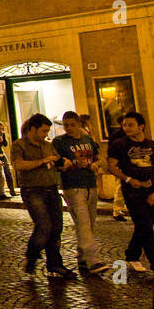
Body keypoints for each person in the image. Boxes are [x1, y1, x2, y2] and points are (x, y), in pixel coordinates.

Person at [12, 113, 76, 279]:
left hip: (52, 189)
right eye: (43, 131)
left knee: (56, 228)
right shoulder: (19, 145)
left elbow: (56, 161)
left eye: (48, 131)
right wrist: (42, 161)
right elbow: (18, 165)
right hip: (33, 191)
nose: (46, 134)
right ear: (33, 129)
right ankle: (31, 256)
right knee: (44, 226)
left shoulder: (48, 145)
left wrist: (62, 164)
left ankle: (55, 264)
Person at [107, 111, 154, 274]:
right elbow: (111, 166)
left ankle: (132, 254)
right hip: (132, 191)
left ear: (141, 126)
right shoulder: (119, 145)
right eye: (124, 125)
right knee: (145, 225)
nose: (126, 128)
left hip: (151, 189)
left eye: (130, 125)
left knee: (144, 225)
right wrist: (127, 179)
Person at [53, 111, 110, 275]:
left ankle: (82, 258)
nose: (69, 128)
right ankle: (94, 260)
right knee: (83, 221)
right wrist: (77, 164)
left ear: (79, 124)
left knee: (90, 223)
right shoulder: (60, 142)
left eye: (72, 125)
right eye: (66, 125)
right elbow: (59, 164)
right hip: (73, 185)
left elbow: (99, 158)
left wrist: (95, 165)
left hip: (90, 184)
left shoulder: (87, 140)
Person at [0, 121, 16, 196]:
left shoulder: (2, 134)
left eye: (2, 128)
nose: (1, 130)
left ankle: (12, 190)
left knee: (8, 172)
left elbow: (5, 144)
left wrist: (3, 140)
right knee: (0, 175)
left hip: (2, 154)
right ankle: (0, 192)